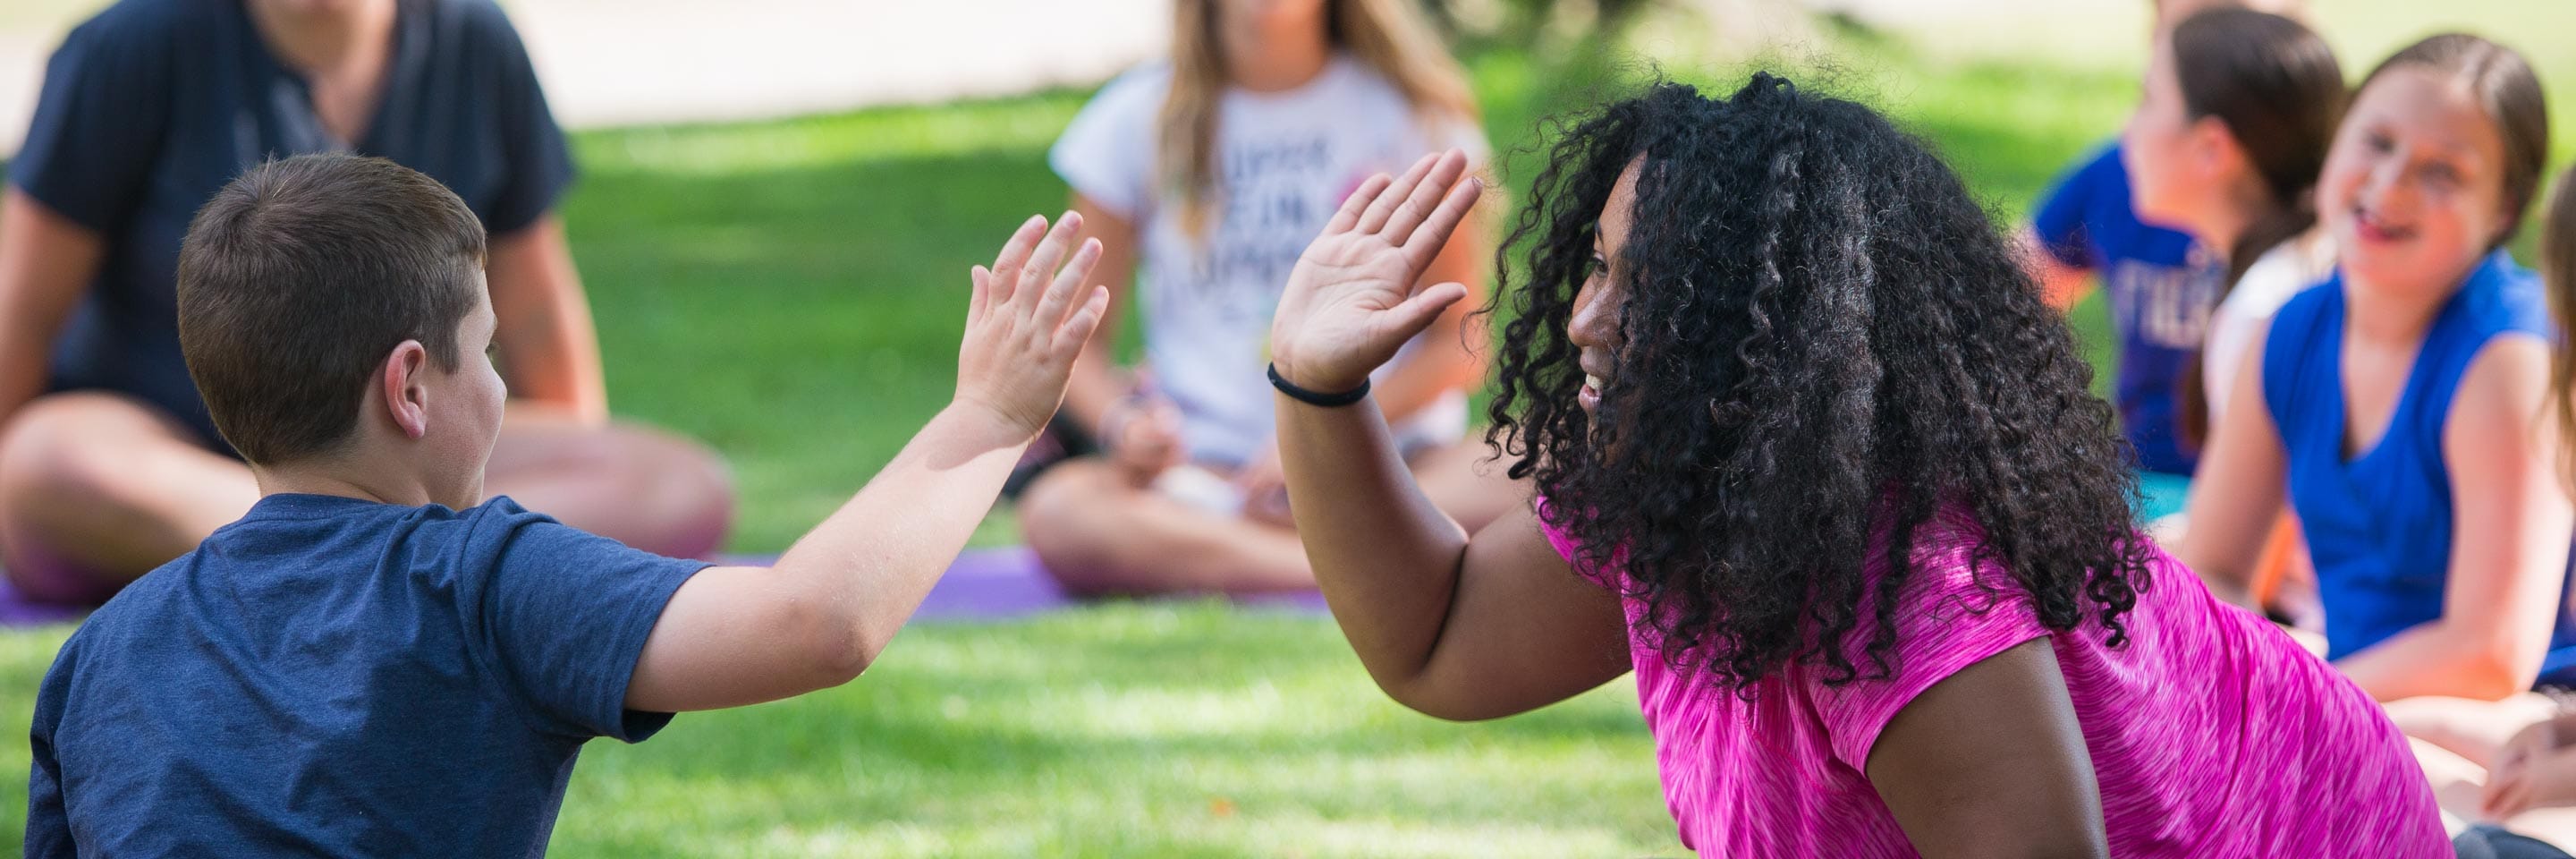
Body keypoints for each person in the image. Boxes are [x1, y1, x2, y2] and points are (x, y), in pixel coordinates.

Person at [1264, 79, 2446, 855]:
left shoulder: (1912, 580)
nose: (1586, 319)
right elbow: (1439, 643)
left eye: (1652, 286)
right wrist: (1319, 391)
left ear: (1779, 330)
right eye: (1597, 267)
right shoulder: (1692, 488)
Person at [24, 154, 1108, 855]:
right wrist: (991, 417)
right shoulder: (479, 581)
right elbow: (815, 624)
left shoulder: (99, 655)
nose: (499, 391)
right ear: (410, 388)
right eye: (486, 354)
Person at [0, 0, 733, 607]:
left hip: (406, 445)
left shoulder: (474, 42)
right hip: (168, 443)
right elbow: (19, 314)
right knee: (44, 462)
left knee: (678, 484)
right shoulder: (131, 47)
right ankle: (382, 558)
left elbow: (538, 313)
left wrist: (571, 455)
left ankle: (321, 562)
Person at [1015, 0, 1513, 595]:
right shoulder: (1132, 118)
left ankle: (1313, 556)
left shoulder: (1412, 114)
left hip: (1393, 472)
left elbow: (1461, 344)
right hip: (1207, 483)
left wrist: (1321, 434)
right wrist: (1124, 424)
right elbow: (1076, 345)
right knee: (1060, 512)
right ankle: (1344, 574)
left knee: (1544, 463)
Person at [2177, 32, 2575, 766]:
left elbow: (2491, 654)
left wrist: (2289, 701)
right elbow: (2215, 564)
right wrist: (2249, 690)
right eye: (2378, 141)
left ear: (2504, 210)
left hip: (2515, 737)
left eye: (2443, 173)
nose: (2389, 186)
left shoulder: (2506, 359)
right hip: (2348, 703)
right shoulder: (2290, 330)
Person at [2020, 0, 2303, 517]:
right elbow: (2000, 300)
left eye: (2147, 101)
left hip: (2235, 517)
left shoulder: (2273, 300)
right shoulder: (2112, 176)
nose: (2129, 128)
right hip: (2147, 482)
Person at [2117, 6, 2342, 631]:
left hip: (2311, 635)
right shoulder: (2293, 268)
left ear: (2212, 147)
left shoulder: (2265, 307)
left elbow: (2246, 569)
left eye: (2145, 100)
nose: (2125, 128)